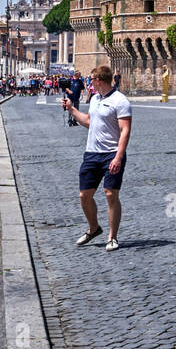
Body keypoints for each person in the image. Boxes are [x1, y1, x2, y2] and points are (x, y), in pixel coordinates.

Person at [63, 65, 131, 252]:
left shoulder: (120, 101)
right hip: (92, 153)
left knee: (111, 194)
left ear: (99, 80)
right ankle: (94, 228)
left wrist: (118, 157)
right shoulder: (94, 99)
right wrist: (71, 110)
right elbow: (90, 122)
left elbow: (125, 131)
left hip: (111, 153)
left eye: (91, 79)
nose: (89, 82)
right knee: (84, 196)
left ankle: (112, 237)